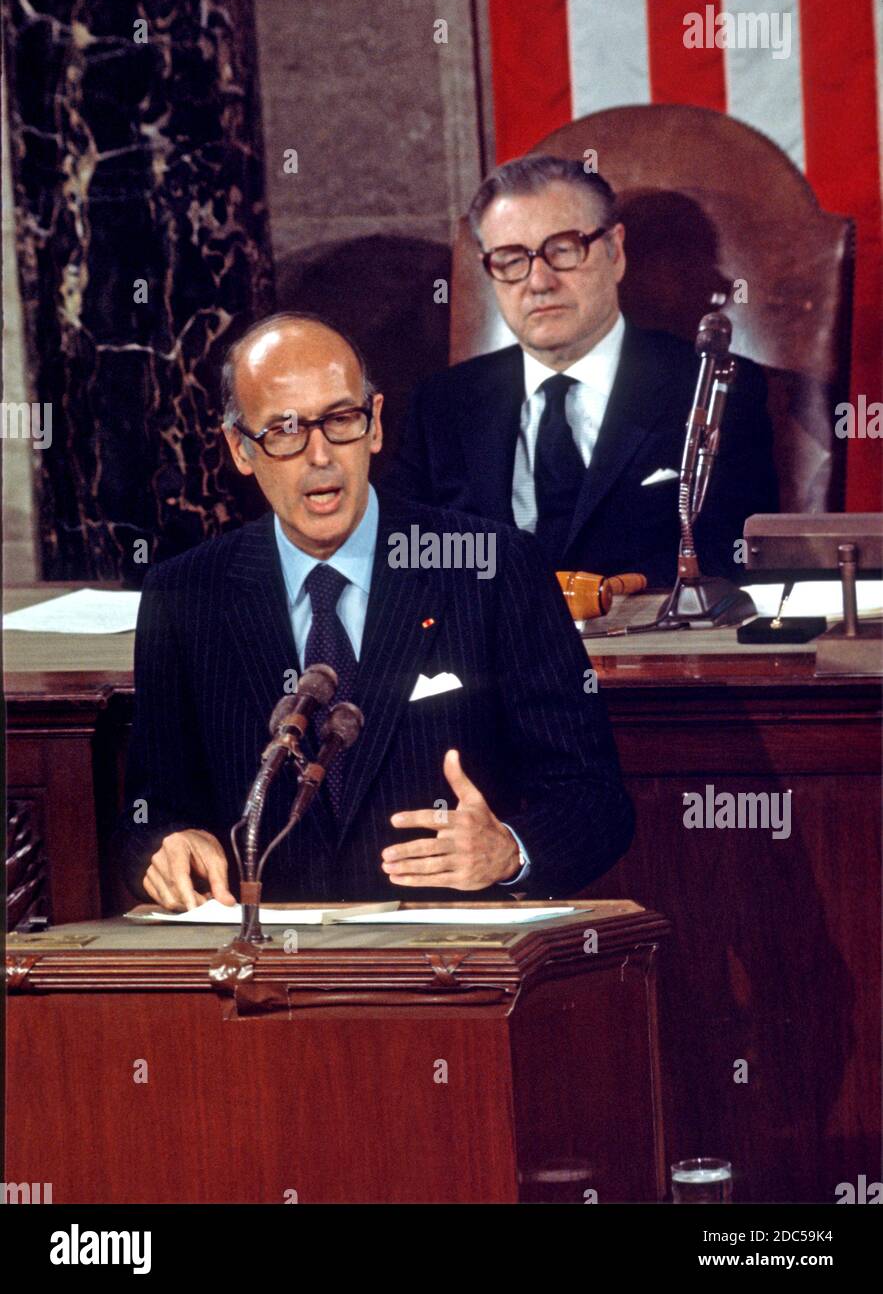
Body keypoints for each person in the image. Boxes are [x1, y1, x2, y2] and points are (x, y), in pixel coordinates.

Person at [115, 312, 634, 907]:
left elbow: (595, 799)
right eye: (285, 430)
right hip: (265, 965)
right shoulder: (184, 596)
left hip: (448, 970)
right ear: (240, 448)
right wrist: (162, 846)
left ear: (376, 426)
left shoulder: (493, 568)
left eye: (340, 421)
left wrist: (510, 850)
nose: (320, 456)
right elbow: (148, 812)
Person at [382, 155, 778, 586]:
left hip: (647, 645)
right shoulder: (442, 404)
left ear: (615, 252)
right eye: (512, 259)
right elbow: (405, 555)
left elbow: (737, 556)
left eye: (564, 249)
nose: (539, 281)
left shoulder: (712, 387)